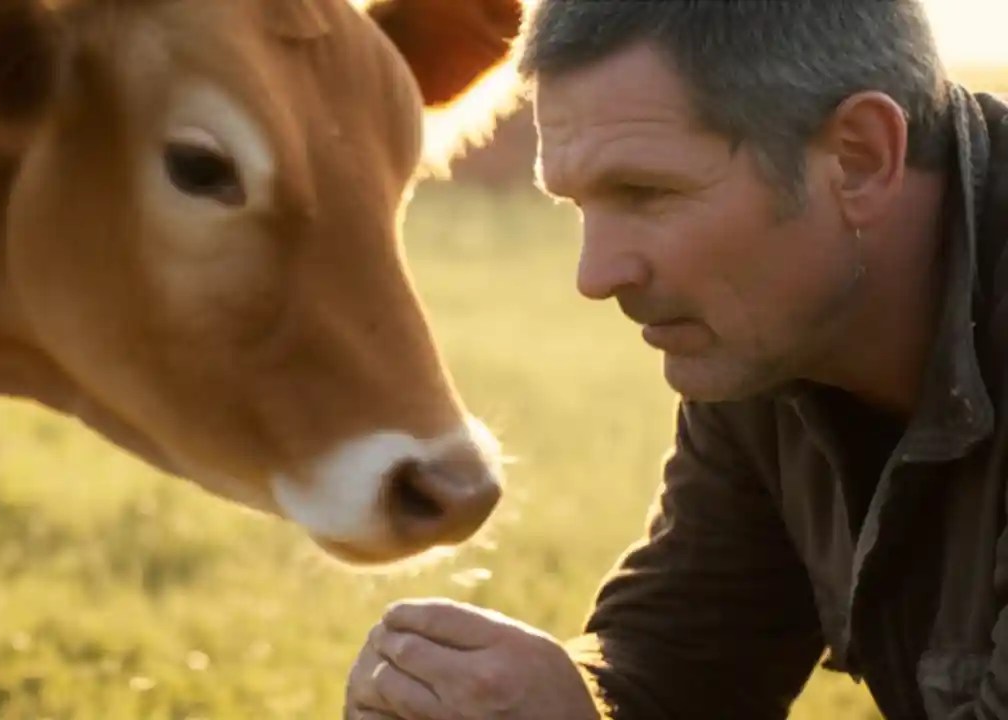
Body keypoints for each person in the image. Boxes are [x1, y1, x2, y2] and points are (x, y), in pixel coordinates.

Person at [343, 1, 1008, 718]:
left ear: (860, 156)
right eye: (578, 205)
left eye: (646, 192)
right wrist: (486, 699)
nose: (596, 275)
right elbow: (683, 664)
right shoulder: (772, 341)